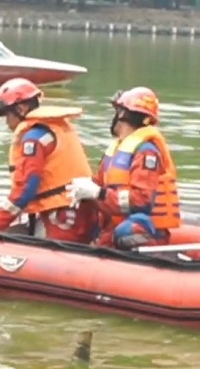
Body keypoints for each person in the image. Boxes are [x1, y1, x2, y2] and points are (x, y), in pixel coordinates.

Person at [66, 87, 182, 249]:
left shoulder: (145, 152)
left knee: (128, 231)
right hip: (113, 226)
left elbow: (141, 201)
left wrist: (98, 193)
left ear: (122, 113)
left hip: (142, 229)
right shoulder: (117, 149)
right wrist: (82, 189)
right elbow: (99, 183)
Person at [0, 77, 97, 243]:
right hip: (79, 209)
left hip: (61, 214)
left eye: (7, 115)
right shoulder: (57, 127)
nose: (7, 122)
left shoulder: (34, 138)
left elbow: (27, 187)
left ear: (21, 108)